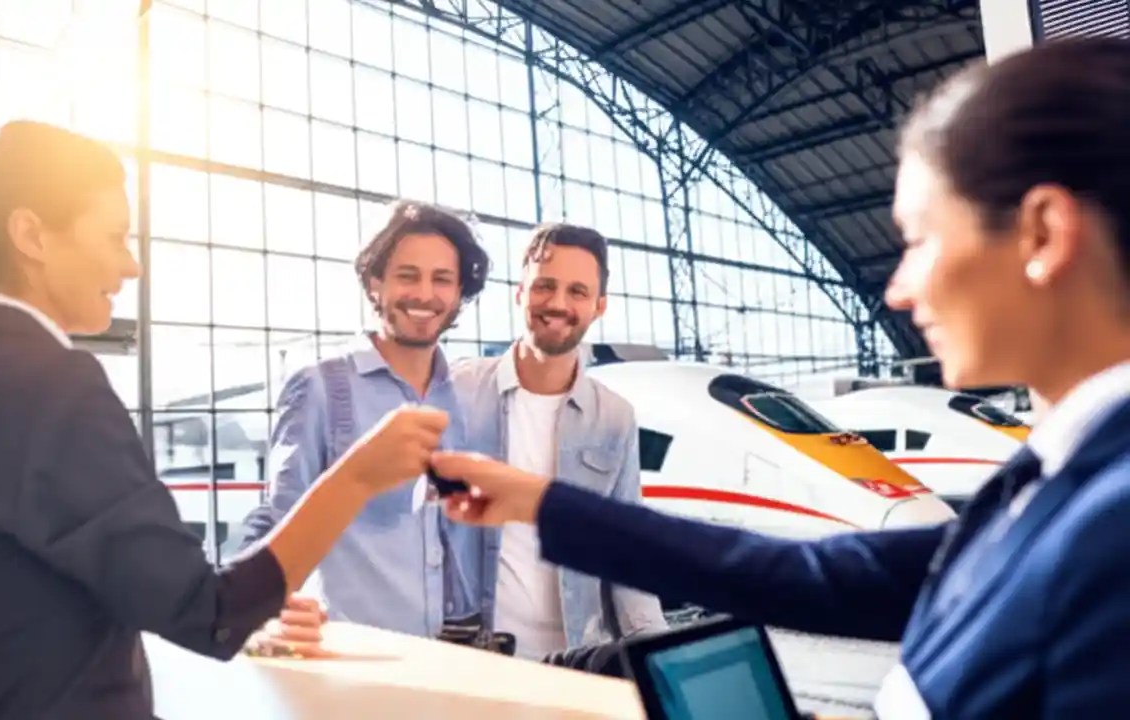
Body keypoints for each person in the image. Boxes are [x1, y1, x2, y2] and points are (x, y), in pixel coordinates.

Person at [428, 37, 1130, 718]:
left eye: (918, 240)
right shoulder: (1053, 481)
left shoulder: (1111, 526)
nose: (898, 291)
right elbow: (812, 578)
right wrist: (540, 503)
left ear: (1041, 234)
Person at [0, 121, 450, 720]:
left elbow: (16, 605)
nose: (131, 266)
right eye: (115, 236)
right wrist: (355, 477)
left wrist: (257, 605)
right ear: (31, 233)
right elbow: (211, 615)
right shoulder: (47, 385)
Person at [257, 223, 668, 664]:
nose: (558, 304)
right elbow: (308, 510)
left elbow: (626, 551)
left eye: (578, 292)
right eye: (544, 286)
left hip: (577, 656)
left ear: (599, 305)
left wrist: (661, 654)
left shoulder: (615, 417)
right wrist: (266, 606)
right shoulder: (456, 390)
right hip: (476, 653)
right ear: (520, 292)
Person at [231, 200, 493, 643]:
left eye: (442, 279)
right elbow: (280, 515)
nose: (425, 294)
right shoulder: (322, 388)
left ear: (459, 294)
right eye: (407, 275)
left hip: (461, 649)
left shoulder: (464, 395)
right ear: (375, 284)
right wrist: (250, 605)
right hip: (360, 649)